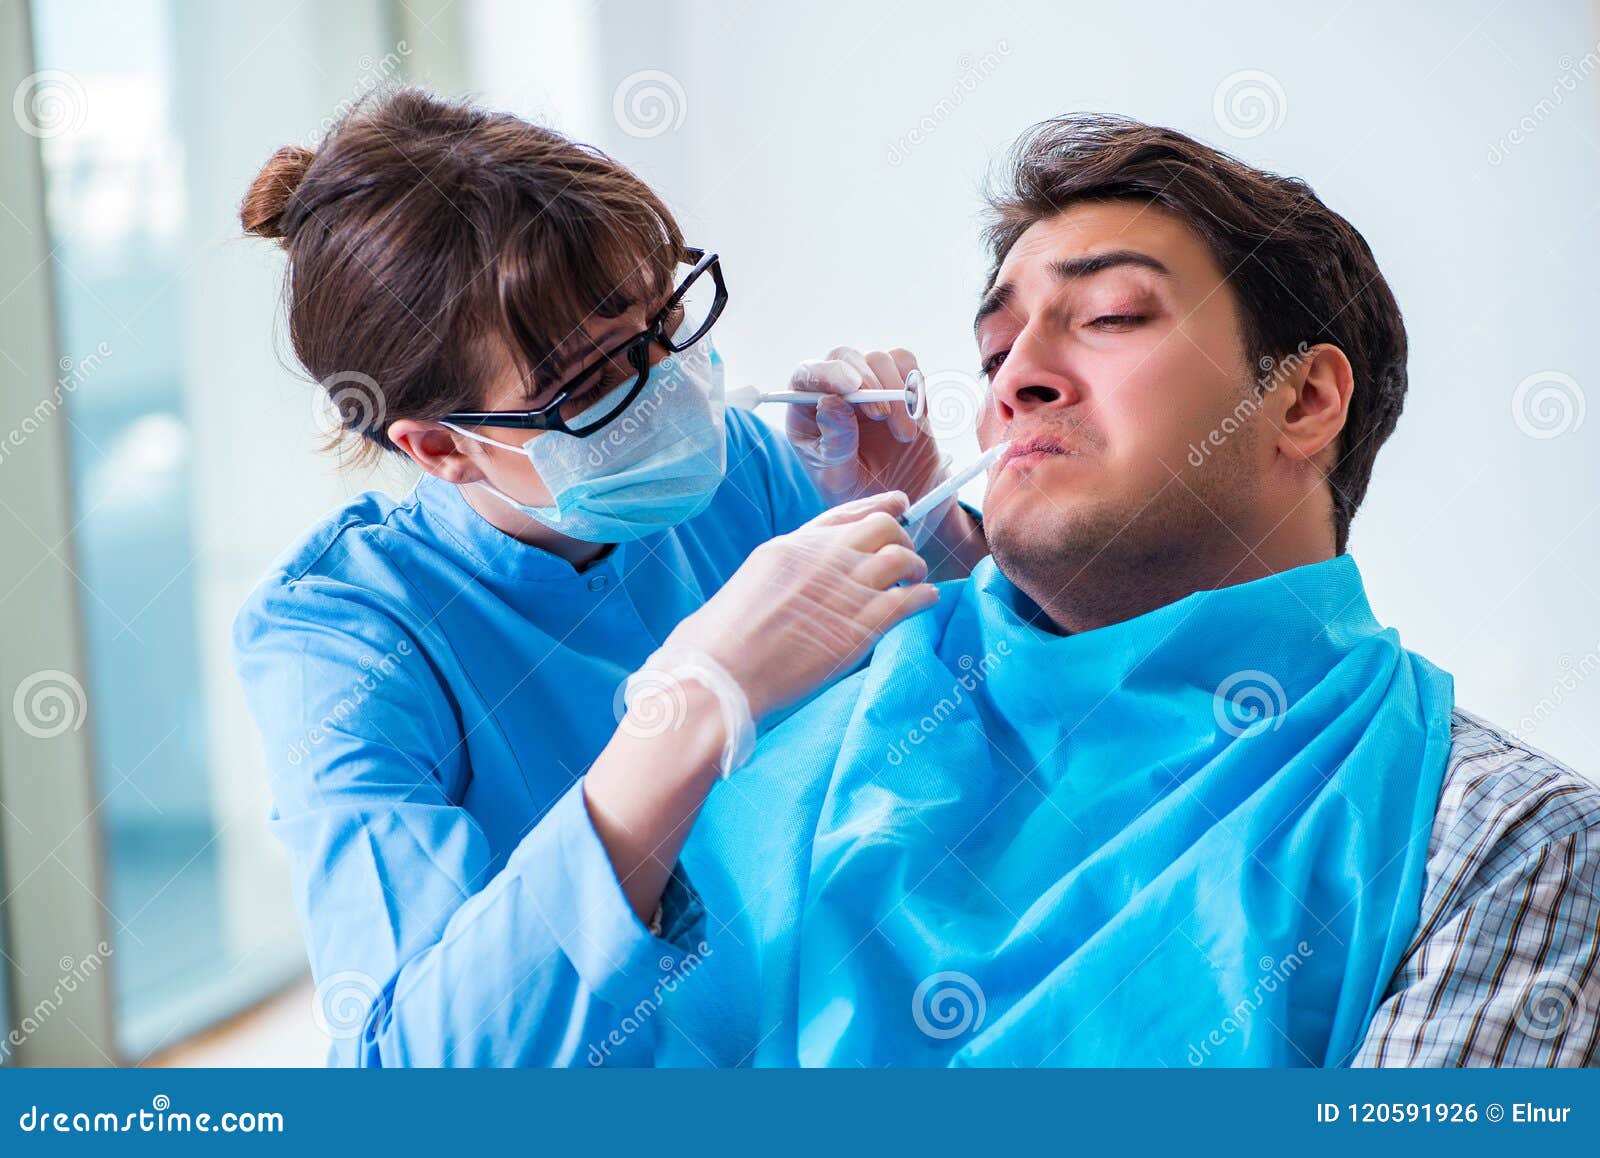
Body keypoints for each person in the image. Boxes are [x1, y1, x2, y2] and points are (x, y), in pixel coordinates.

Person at [659, 115, 1600, 1068]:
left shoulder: (1501, 842)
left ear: (1305, 400)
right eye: (992, 356)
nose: (1016, 378)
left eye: (1109, 316)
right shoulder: (781, 739)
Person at [231, 89, 985, 1067]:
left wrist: (927, 522)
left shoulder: (738, 471)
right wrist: (684, 713)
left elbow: (954, 726)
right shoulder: (341, 641)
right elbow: (413, 1069)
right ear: (437, 447)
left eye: (659, 318)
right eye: (585, 383)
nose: (664, 386)